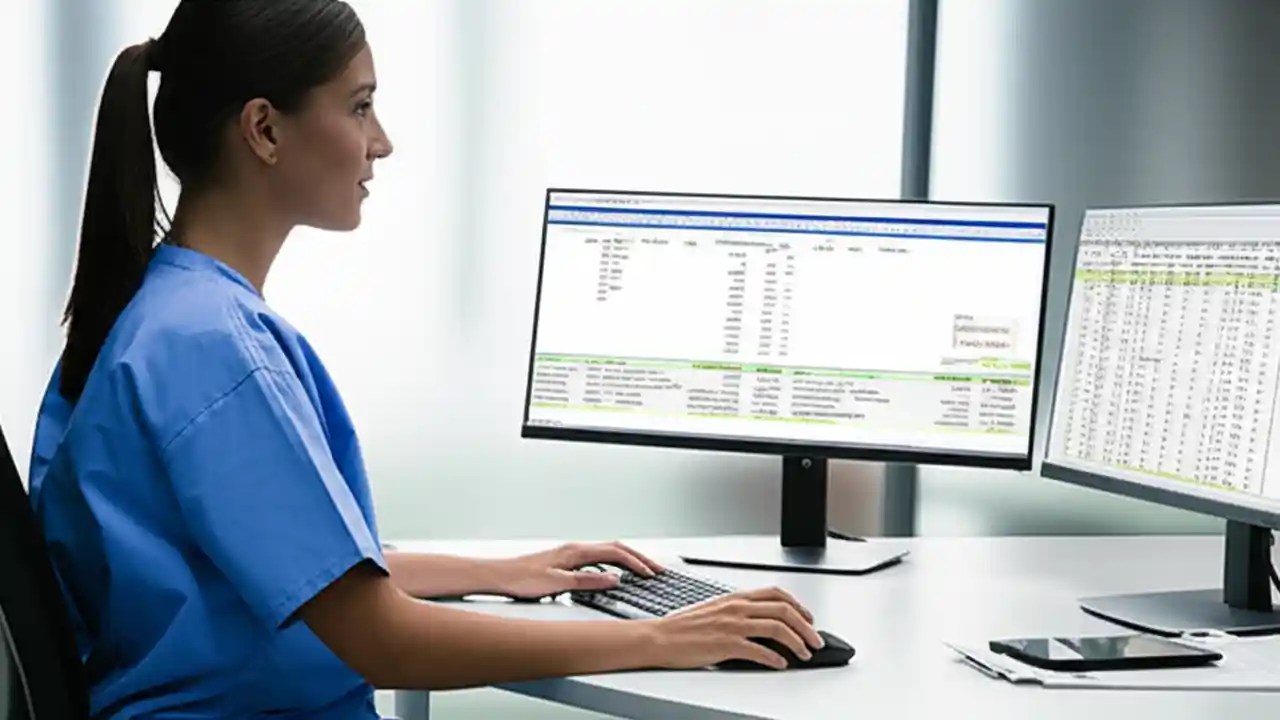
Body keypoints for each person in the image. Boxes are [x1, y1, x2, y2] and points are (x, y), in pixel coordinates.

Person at [27, 2, 823, 718]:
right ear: (264, 130)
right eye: (360, 107)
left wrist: (512, 570)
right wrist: (661, 639)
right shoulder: (214, 350)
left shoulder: (161, 314)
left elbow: (303, 577)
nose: (382, 141)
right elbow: (381, 641)